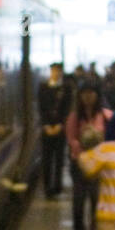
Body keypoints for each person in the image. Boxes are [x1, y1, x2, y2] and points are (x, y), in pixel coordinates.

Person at [66, 81, 111, 230]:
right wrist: (83, 148)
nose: (88, 97)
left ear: (98, 95)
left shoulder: (106, 115)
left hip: (99, 164)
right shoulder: (75, 116)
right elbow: (71, 138)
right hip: (79, 163)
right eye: (84, 93)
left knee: (96, 199)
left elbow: (110, 139)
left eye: (91, 93)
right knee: (78, 198)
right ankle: (79, 229)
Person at [38, 62, 71, 199]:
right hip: (47, 128)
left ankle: (57, 186)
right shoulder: (43, 87)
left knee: (58, 159)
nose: (55, 73)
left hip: (60, 128)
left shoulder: (66, 88)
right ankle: (47, 187)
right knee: (47, 159)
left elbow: (67, 108)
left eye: (58, 71)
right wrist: (46, 124)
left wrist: (60, 125)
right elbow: (41, 107)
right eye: (53, 71)